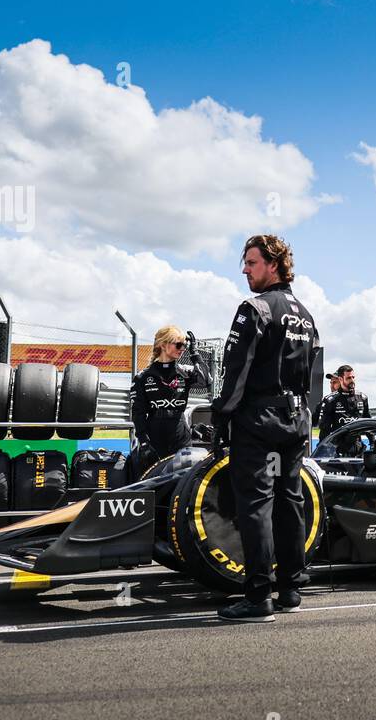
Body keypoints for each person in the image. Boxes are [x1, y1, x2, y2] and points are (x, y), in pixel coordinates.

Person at [211, 234, 320, 622]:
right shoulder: (305, 315)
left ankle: (258, 597)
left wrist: (220, 415)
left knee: (256, 504)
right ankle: (291, 586)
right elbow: (314, 377)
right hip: (295, 420)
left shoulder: (254, 308)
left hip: (257, 420)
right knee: (289, 500)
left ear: (273, 265)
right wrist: (305, 418)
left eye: (252, 263)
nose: (244, 269)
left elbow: (235, 370)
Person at [128, 325, 210, 473]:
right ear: (163, 345)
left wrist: (195, 354)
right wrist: (144, 442)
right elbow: (138, 414)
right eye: (179, 344)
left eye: (185, 345)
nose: (183, 348)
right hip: (154, 437)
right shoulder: (143, 377)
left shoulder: (185, 372)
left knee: (184, 483)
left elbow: (206, 381)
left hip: (181, 436)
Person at [317, 364, 370, 435]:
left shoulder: (362, 398)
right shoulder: (329, 400)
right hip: (338, 444)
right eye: (348, 378)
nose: (352, 380)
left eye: (353, 377)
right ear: (341, 379)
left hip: (357, 444)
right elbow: (324, 430)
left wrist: (373, 442)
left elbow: (368, 424)